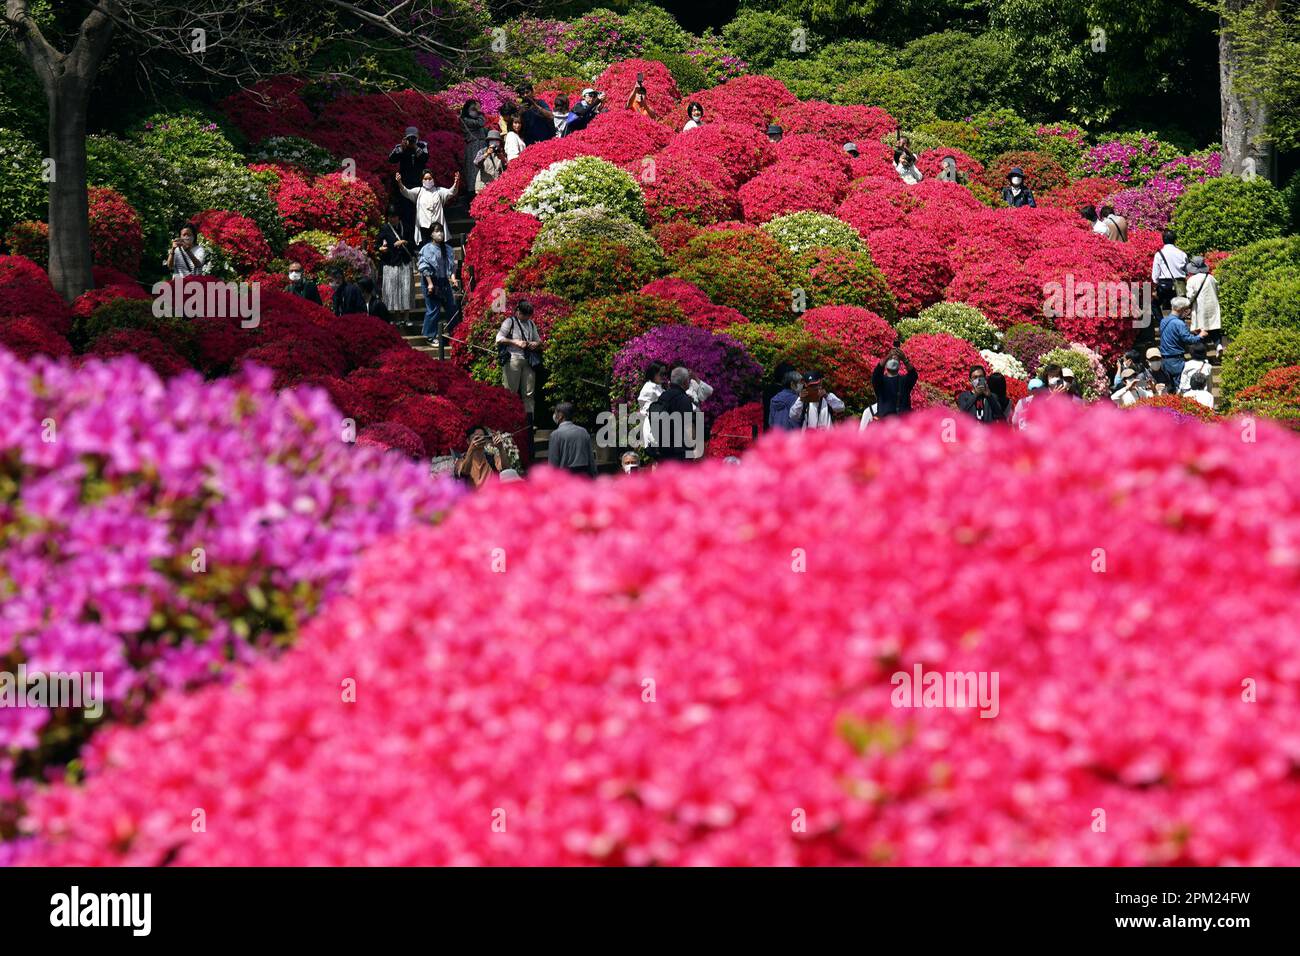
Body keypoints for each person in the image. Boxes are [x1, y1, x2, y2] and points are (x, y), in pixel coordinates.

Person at [496, 299, 542, 420]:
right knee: (510, 393)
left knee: (529, 393)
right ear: (518, 312)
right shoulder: (509, 322)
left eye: (528, 315)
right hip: (513, 359)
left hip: (528, 360)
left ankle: (529, 422)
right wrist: (515, 342)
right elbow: (499, 338)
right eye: (524, 315)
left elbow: (538, 340)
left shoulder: (531, 323)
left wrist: (534, 344)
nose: (526, 318)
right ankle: (510, 420)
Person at [395, 167, 460, 247]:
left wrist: (456, 183)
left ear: (433, 179)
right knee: (426, 251)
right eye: (425, 178)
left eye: (430, 178)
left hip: (437, 228)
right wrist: (400, 182)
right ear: (422, 180)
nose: (428, 180)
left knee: (439, 250)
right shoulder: (418, 191)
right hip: (424, 228)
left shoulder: (439, 191)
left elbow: (452, 192)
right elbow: (406, 192)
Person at [416, 223, 458, 344]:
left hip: (444, 282)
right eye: (436, 231)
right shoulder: (427, 249)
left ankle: (454, 332)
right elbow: (424, 267)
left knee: (451, 307)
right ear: (431, 234)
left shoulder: (448, 249)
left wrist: (453, 279)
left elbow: (451, 267)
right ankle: (430, 335)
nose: (440, 233)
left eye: (441, 231)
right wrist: (430, 284)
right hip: (431, 281)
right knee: (433, 309)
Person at [647, 367, 699, 460]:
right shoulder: (682, 399)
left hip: (664, 451)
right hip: (680, 453)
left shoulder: (664, 396)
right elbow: (689, 426)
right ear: (685, 381)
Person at [388, 126, 429, 237]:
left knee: (420, 211)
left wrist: (415, 147)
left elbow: (425, 158)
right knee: (406, 212)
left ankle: (422, 237)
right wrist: (402, 148)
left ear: (418, 137)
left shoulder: (422, 145)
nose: (411, 140)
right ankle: (409, 237)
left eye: (414, 137)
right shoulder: (401, 147)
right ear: (405, 137)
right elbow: (391, 159)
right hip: (405, 185)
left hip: (419, 184)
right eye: (410, 138)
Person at [1159, 295, 1208, 388]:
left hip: (1164, 359)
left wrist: (1190, 332)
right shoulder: (1179, 323)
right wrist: (1200, 336)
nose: (1187, 312)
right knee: (1179, 386)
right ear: (1181, 309)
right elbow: (1189, 340)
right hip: (1176, 360)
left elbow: (1173, 334)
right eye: (1186, 309)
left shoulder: (1164, 321)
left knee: (1169, 388)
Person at [376, 206, 413, 316]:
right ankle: (396, 317)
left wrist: (404, 241)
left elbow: (413, 244)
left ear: (399, 217)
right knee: (394, 290)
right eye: (390, 217)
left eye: (395, 217)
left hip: (404, 262)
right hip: (391, 262)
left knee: (406, 290)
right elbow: (377, 244)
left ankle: (406, 317)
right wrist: (381, 248)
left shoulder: (406, 227)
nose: (393, 219)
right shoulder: (384, 228)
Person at [1184, 255, 1222, 357]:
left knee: (1201, 330)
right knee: (1214, 327)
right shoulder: (1211, 278)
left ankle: (1203, 354)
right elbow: (1218, 290)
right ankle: (1218, 345)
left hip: (1200, 307)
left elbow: (1190, 296)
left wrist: (1188, 303)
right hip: (1213, 305)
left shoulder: (1191, 280)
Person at [548, 402, 597, 476]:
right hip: (583, 476)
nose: (554, 415)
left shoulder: (555, 435)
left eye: (555, 413)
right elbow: (591, 459)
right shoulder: (583, 431)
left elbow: (553, 463)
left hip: (565, 478)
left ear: (561, 415)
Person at [872, 348, 918, 418]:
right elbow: (877, 372)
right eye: (890, 359)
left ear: (899, 365)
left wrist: (904, 359)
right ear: (886, 365)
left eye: (896, 359)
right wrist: (888, 357)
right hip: (885, 423)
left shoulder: (904, 381)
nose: (893, 360)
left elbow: (913, 374)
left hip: (903, 423)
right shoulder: (880, 381)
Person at [1151, 229, 1188, 315]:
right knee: (1179, 307)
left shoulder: (1159, 254)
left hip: (1164, 285)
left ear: (1163, 240)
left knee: (1154, 305)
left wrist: (1156, 285)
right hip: (1179, 284)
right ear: (1175, 240)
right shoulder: (1182, 254)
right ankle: (1178, 323)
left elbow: (1155, 275)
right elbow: (1186, 271)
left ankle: (1162, 324)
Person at [636, 361, 668, 448]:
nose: (664, 377)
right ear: (654, 373)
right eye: (661, 374)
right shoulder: (649, 388)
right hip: (653, 426)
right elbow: (646, 410)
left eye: (665, 374)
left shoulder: (658, 386)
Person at [460, 100, 488, 196]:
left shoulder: (474, 119)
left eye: (476, 109)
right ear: (467, 110)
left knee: (484, 168)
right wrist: (480, 111)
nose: (476, 111)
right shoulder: (465, 120)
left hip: (482, 145)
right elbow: (481, 123)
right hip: (473, 146)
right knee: (474, 170)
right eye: (473, 109)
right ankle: (473, 191)